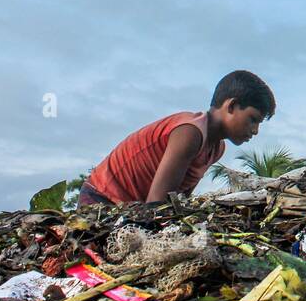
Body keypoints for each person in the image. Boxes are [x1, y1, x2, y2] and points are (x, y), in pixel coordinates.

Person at [79, 70, 276, 205]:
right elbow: (156, 205)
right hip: (102, 200)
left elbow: (178, 200)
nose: (255, 130)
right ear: (231, 106)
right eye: (252, 119)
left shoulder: (216, 148)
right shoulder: (190, 133)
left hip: (130, 209)